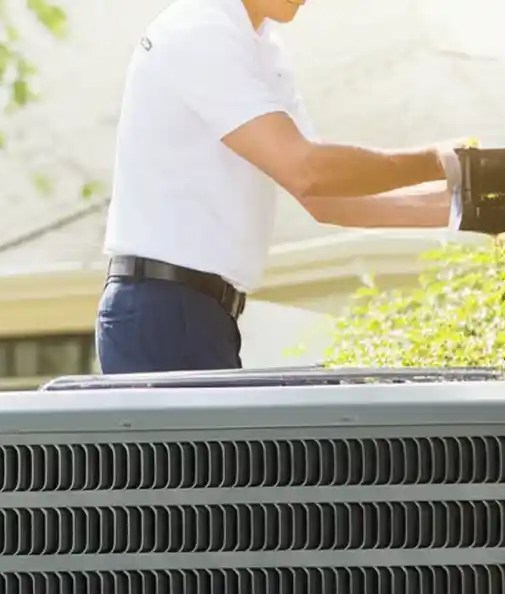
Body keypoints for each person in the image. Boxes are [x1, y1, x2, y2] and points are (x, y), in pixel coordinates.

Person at [96, 0, 469, 374]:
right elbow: (305, 169)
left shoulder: (261, 47)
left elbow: (323, 198)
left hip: (199, 314)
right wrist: (436, 162)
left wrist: (471, 207)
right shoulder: (198, 29)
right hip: (161, 310)